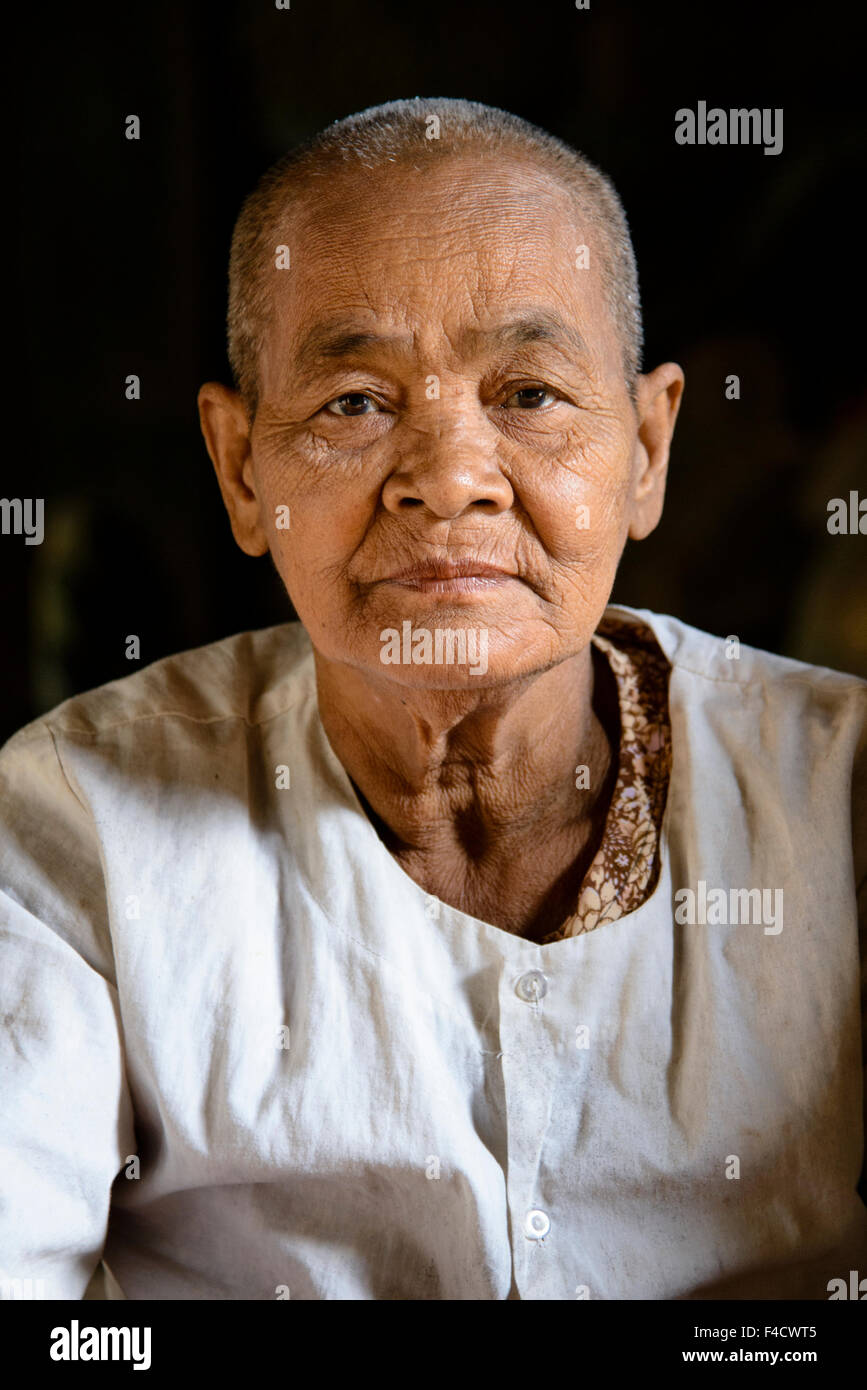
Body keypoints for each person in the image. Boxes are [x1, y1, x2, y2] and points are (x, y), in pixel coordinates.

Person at [1, 98, 864, 1301]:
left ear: (649, 451)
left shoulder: (844, 800)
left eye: (529, 395)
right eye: (355, 401)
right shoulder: (70, 829)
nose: (449, 479)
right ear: (242, 468)